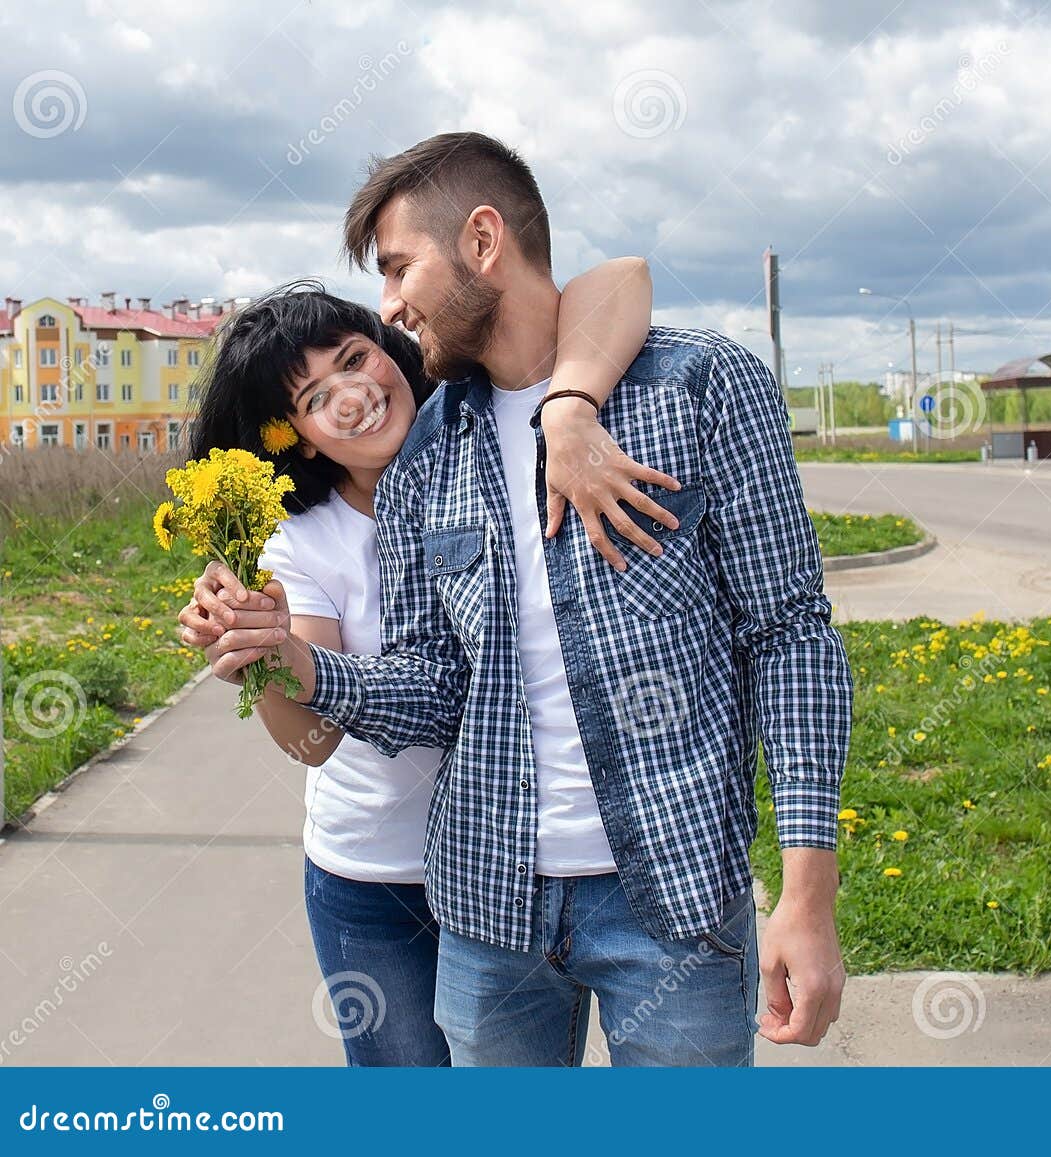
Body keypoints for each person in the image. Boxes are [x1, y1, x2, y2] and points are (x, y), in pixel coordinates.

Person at [190, 131, 853, 1067]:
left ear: (483, 241)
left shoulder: (697, 386)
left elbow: (788, 636)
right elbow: (437, 687)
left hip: (672, 899)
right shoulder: (427, 454)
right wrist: (298, 664)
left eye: (397, 268)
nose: (387, 309)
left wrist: (806, 893)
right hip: (488, 915)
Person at [179, 258, 665, 1065]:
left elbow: (621, 279)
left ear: (388, 345)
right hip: (379, 881)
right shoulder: (301, 541)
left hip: (524, 866)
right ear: (293, 434)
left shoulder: (487, 427)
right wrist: (263, 656)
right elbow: (316, 744)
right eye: (311, 398)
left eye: (354, 358)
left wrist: (572, 405)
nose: (351, 394)